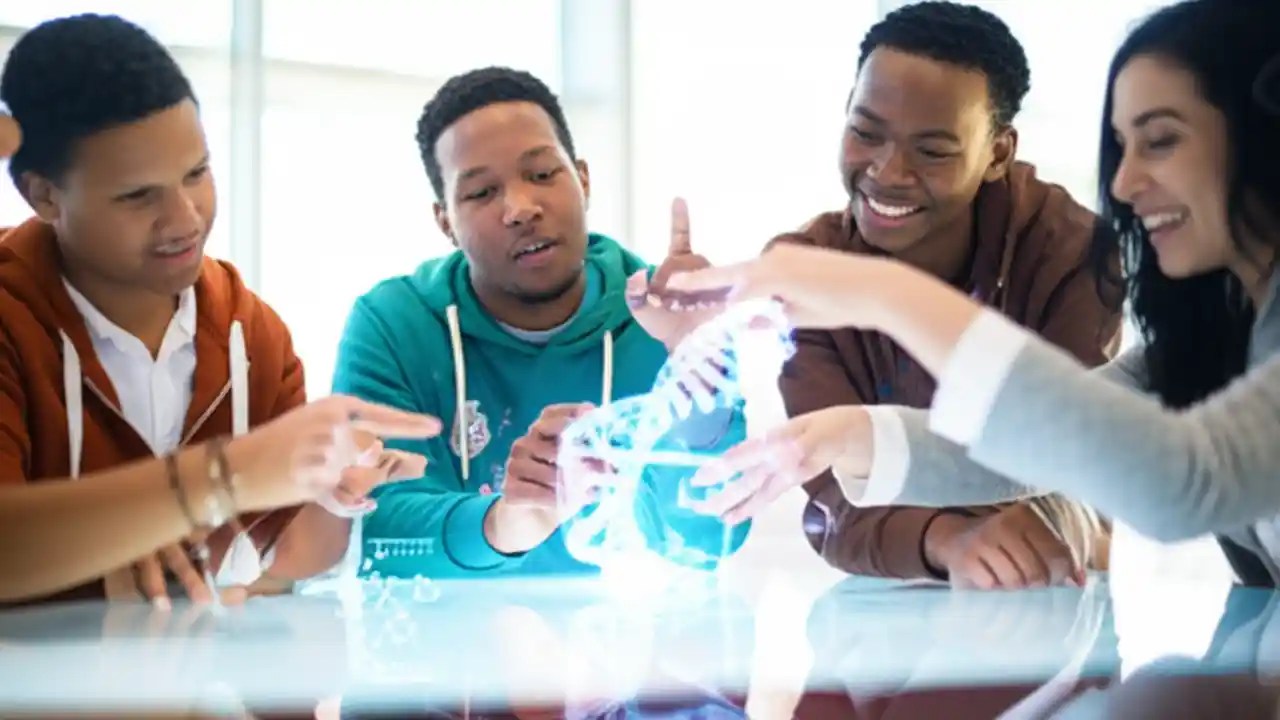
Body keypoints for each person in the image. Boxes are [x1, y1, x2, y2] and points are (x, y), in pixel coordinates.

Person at [670, 0, 1280, 587]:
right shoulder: (1213, 331)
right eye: (1122, 146)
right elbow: (1049, 443)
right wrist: (847, 434)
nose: (1122, 183)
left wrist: (885, 295)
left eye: (1162, 141)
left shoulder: (1067, 246)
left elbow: (1179, 481)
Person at [0, 13, 424, 606]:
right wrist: (221, 478)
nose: (185, 218)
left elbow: (289, 555)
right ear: (43, 194)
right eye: (137, 195)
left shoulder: (252, 332)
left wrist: (336, 491)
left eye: (196, 173)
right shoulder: (11, 318)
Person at [333, 67, 748, 578]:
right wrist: (505, 523)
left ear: (584, 181)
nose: (521, 208)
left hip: (621, 626)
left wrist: (698, 370)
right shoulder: (394, 324)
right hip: (450, 630)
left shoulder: (662, 315)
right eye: (482, 193)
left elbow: (708, 540)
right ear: (445, 222)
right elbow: (367, 529)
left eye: (543, 174)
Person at [764, 1, 1119, 588]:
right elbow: (832, 497)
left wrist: (1041, 524)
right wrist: (947, 538)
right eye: (865, 132)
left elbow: (1084, 464)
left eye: (931, 151)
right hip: (878, 613)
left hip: (1052, 596)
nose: (887, 172)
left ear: (998, 153)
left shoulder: (1072, 253)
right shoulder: (809, 268)